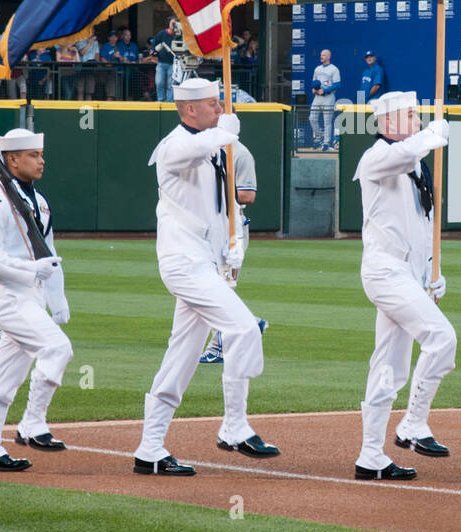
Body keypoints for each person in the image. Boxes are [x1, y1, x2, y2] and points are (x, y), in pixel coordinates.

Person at [134, 78, 279, 475]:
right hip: (184, 264)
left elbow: (220, 209)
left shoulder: (216, 147)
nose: (221, 109)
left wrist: (232, 245)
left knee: (180, 357)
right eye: (213, 104)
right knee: (244, 330)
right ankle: (234, 426)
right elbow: (193, 148)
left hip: (207, 262)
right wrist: (223, 132)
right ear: (190, 110)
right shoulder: (174, 146)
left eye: (220, 103)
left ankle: (150, 448)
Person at [352, 92, 454, 480]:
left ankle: (370, 456)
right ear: (389, 120)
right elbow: (405, 152)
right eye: (411, 114)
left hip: (407, 275)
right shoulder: (377, 156)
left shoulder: (413, 164)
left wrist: (431, 271)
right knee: (442, 338)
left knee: (388, 367)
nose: (417, 118)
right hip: (384, 272)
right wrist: (432, 134)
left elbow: (420, 226)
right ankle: (413, 424)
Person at [0, 127, 72, 472]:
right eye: (33, 156)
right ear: (11, 160)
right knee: (58, 349)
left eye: (41, 155)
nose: (41, 161)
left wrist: (57, 298)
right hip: (9, 299)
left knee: (5, 378)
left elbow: (50, 253)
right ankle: (32, 424)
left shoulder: (38, 202)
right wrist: (32, 271)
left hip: (33, 298)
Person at [199, 95, 268, 365]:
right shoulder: (204, 148)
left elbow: (248, 195)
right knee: (210, 286)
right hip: (209, 226)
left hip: (232, 228)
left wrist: (218, 189)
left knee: (223, 286)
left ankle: (220, 345)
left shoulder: (239, 153)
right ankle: (250, 323)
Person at [310, 48, 340, 150]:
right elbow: (314, 82)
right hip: (317, 97)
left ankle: (326, 142)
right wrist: (314, 89)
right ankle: (319, 137)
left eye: (323, 55)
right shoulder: (317, 69)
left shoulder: (334, 69)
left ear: (328, 56)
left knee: (327, 121)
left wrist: (325, 90)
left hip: (328, 97)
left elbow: (337, 84)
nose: (321, 56)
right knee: (312, 118)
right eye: (321, 55)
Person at [150, 17, 183, 103]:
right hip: (161, 62)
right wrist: (153, 51)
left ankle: (169, 101)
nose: (174, 25)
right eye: (172, 23)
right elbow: (153, 45)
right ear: (169, 23)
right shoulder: (161, 34)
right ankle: (160, 100)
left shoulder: (179, 35)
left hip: (173, 64)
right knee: (159, 82)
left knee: (170, 84)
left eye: (175, 24)